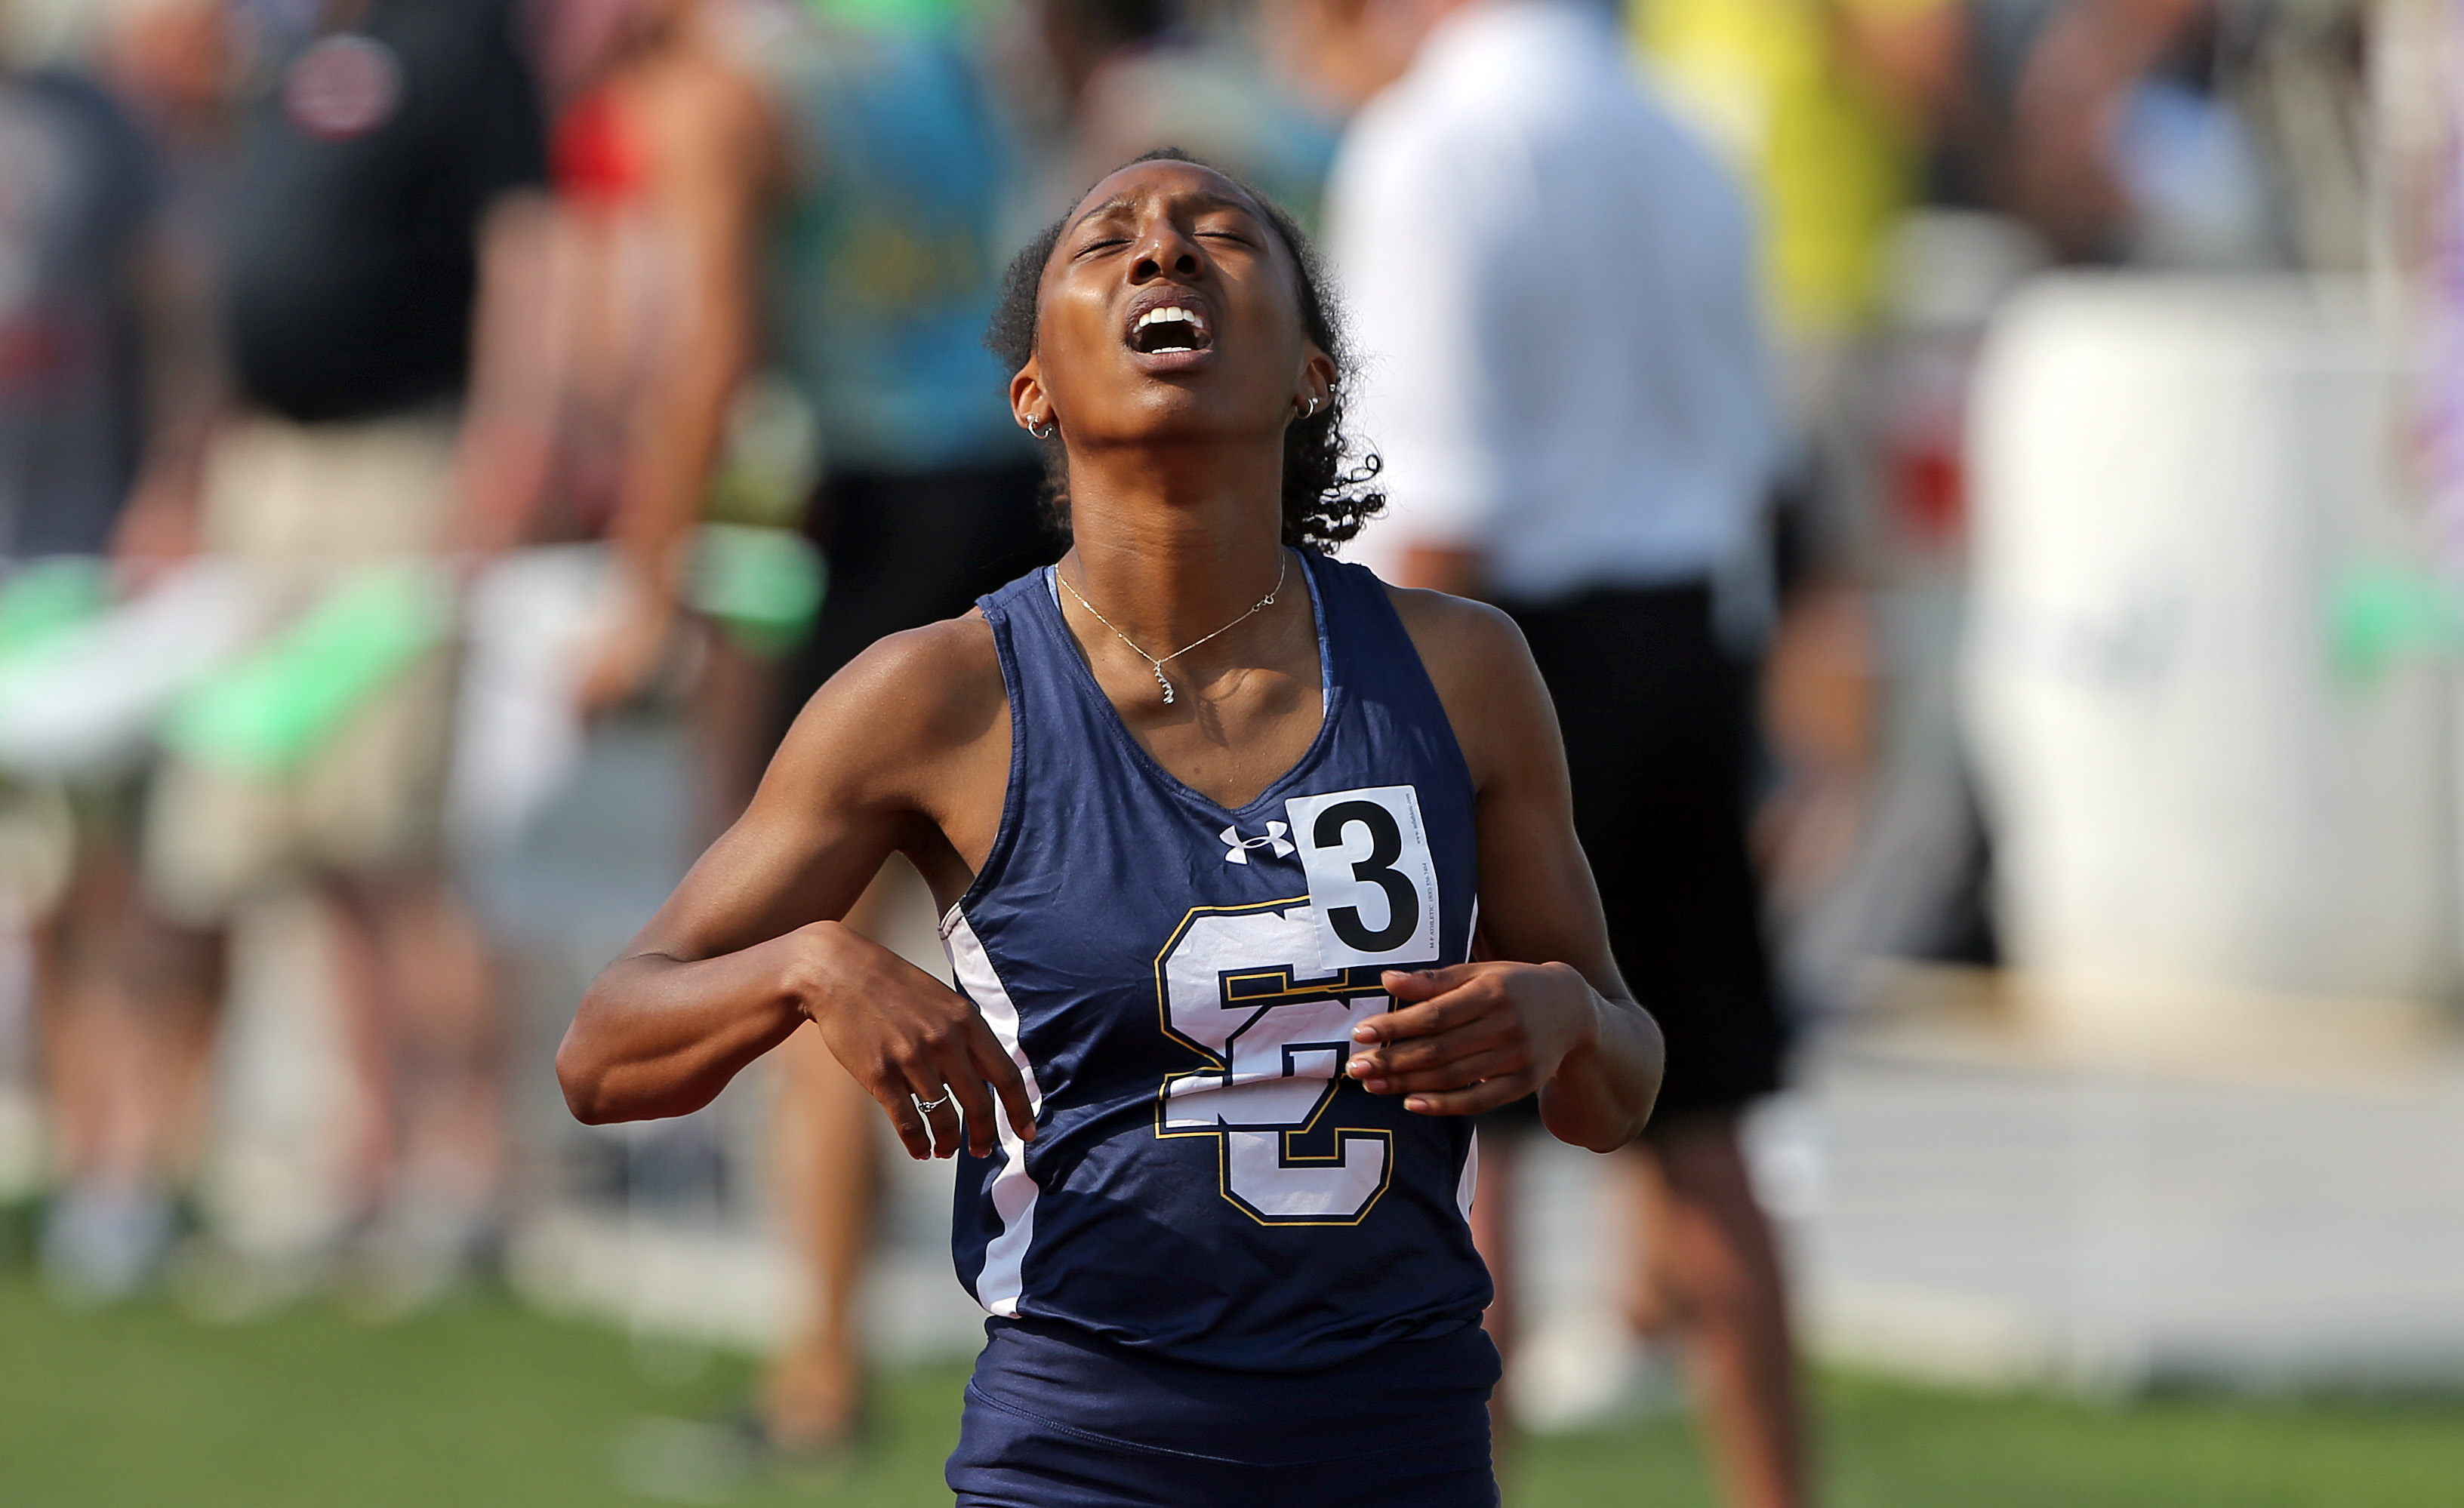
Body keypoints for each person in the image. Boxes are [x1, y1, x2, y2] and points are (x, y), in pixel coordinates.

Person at [557, 149, 1665, 1505]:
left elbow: (1622, 1080)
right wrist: (809, 968)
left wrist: (1562, 1012)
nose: (1164, 252)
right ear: (1032, 387)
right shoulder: (939, 695)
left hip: (1402, 1451)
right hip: (1082, 1457)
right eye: (1110, 242)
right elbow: (604, 1050)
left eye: (1219, 234)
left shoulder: (1461, 670)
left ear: (1313, 367)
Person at [1296, 1, 1808, 1504]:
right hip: (1684, 637)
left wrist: (1379, 729)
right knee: (1711, 1116)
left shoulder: (1437, 142)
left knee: (1461, 1127)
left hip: (1506, 646)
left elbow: (1434, 484)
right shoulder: (1685, 129)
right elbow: (1758, 453)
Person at [124, 0, 551, 1304]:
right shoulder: (291, 53)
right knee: (297, 833)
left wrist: (508, 456)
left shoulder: (461, 40)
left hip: (399, 472)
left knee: (405, 833)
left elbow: (529, 255)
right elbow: (229, 265)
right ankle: (353, 1160)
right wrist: (184, 469)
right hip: (272, 478)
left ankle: (465, 1169)